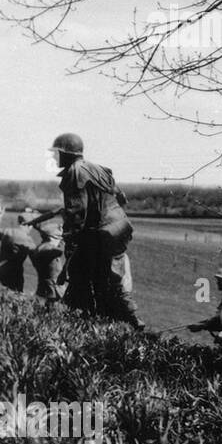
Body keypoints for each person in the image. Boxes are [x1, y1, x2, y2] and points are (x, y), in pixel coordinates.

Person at [33, 133, 143, 328]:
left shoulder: (74, 172)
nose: (54, 157)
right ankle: (130, 321)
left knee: (81, 278)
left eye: (57, 153)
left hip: (99, 234)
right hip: (117, 229)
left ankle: (84, 324)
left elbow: (77, 215)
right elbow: (120, 198)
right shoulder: (99, 169)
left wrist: (70, 243)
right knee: (111, 280)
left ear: (67, 154)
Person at [0, 212, 37, 292]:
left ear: (19, 222)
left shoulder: (7, 232)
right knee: (14, 298)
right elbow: (36, 258)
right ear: (30, 225)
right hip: (14, 274)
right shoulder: (28, 240)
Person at [26, 210, 66, 301]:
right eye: (59, 239)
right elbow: (60, 250)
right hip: (52, 293)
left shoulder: (41, 247)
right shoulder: (48, 250)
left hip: (45, 290)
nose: (60, 241)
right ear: (53, 238)